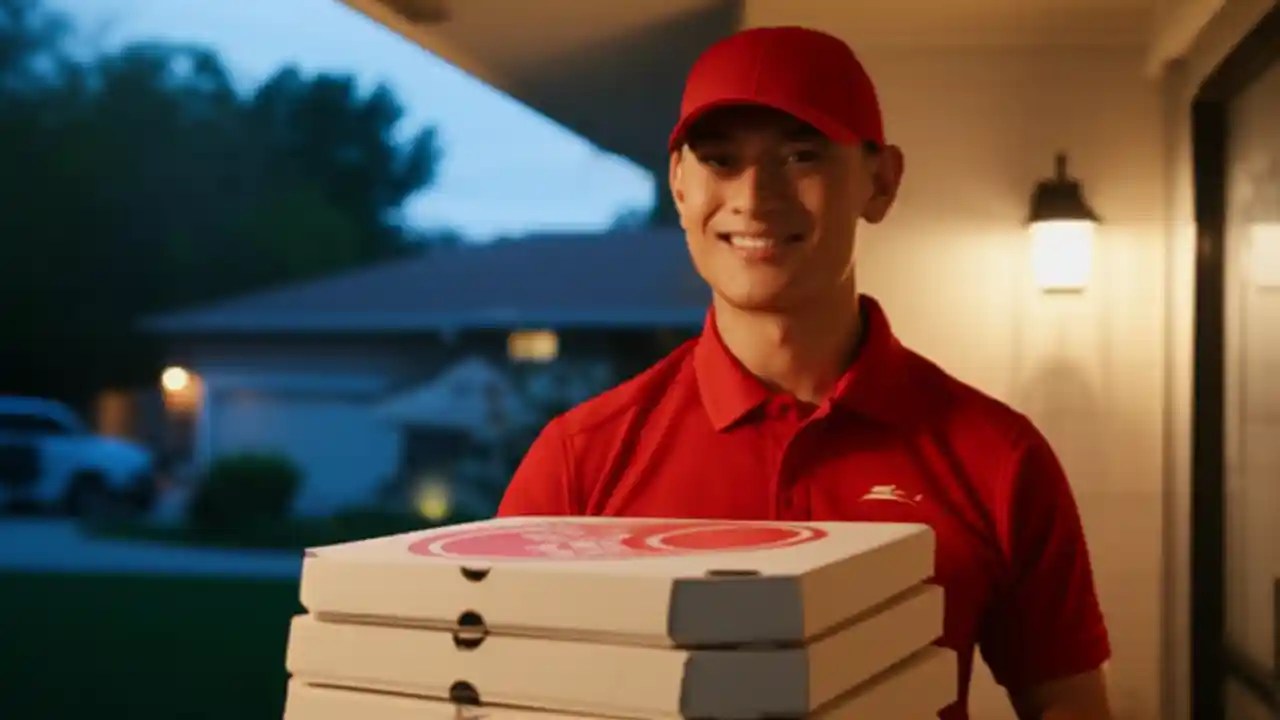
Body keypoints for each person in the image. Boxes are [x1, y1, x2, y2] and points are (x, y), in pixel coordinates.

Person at [497, 25, 1112, 720]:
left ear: (881, 182)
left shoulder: (999, 458)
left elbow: (1070, 706)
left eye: (800, 156)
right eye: (721, 159)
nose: (755, 197)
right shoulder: (579, 463)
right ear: (679, 184)